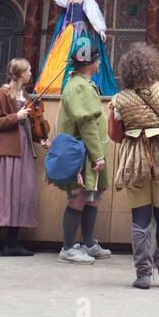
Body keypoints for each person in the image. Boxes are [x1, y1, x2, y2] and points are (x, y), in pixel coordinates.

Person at [109, 43, 159, 288]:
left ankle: (143, 275)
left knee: (140, 218)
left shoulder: (119, 99)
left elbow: (115, 134)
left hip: (134, 161)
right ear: (153, 66)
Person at [0, 58, 43, 257]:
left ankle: (12, 241)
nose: (31, 73)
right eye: (28, 70)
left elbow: (33, 124)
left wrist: (41, 139)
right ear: (20, 73)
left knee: (22, 193)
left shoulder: (27, 96)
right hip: (4, 150)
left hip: (22, 149)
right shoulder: (0, 94)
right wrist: (16, 117)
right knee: (1, 193)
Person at [53, 36, 112, 265]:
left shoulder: (82, 84)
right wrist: (97, 155)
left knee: (92, 197)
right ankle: (68, 248)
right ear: (90, 62)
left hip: (90, 151)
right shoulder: (78, 86)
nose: (100, 64)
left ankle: (88, 243)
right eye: (97, 59)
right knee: (78, 198)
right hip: (84, 153)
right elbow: (86, 123)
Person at [34, 0, 117, 96]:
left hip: (82, 36)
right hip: (68, 33)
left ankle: (84, 87)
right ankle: (56, 87)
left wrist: (101, 29)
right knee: (60, 58)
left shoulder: (87, 0)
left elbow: (94, 15)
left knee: (83, 60)